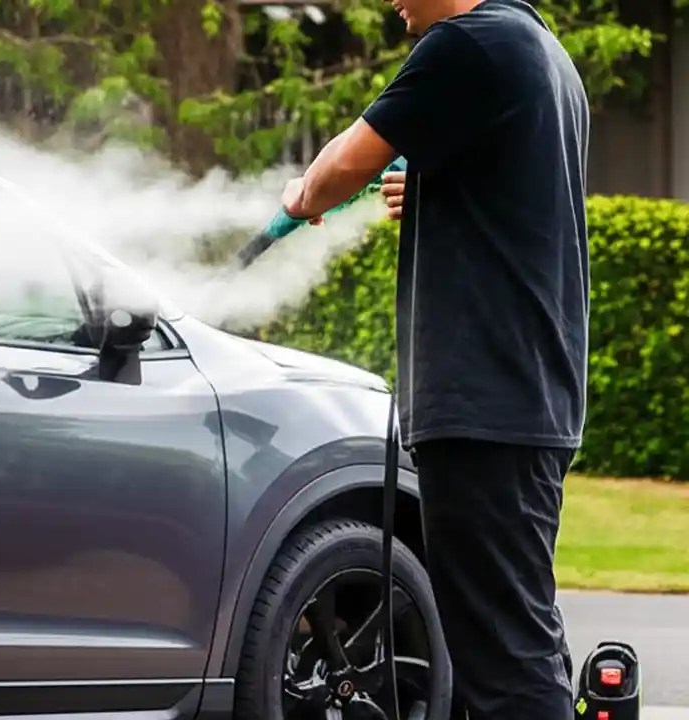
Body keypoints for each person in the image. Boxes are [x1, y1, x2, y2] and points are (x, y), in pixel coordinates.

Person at [277, 0, 590, 718]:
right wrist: (426, 189)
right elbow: (509, 196)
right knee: (514, 641)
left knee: (504, 665)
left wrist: (303, 193)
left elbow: (342, 164)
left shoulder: (467, 44)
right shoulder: (539, 47)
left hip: (487, 404)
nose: (392, 2)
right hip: (524, 395)